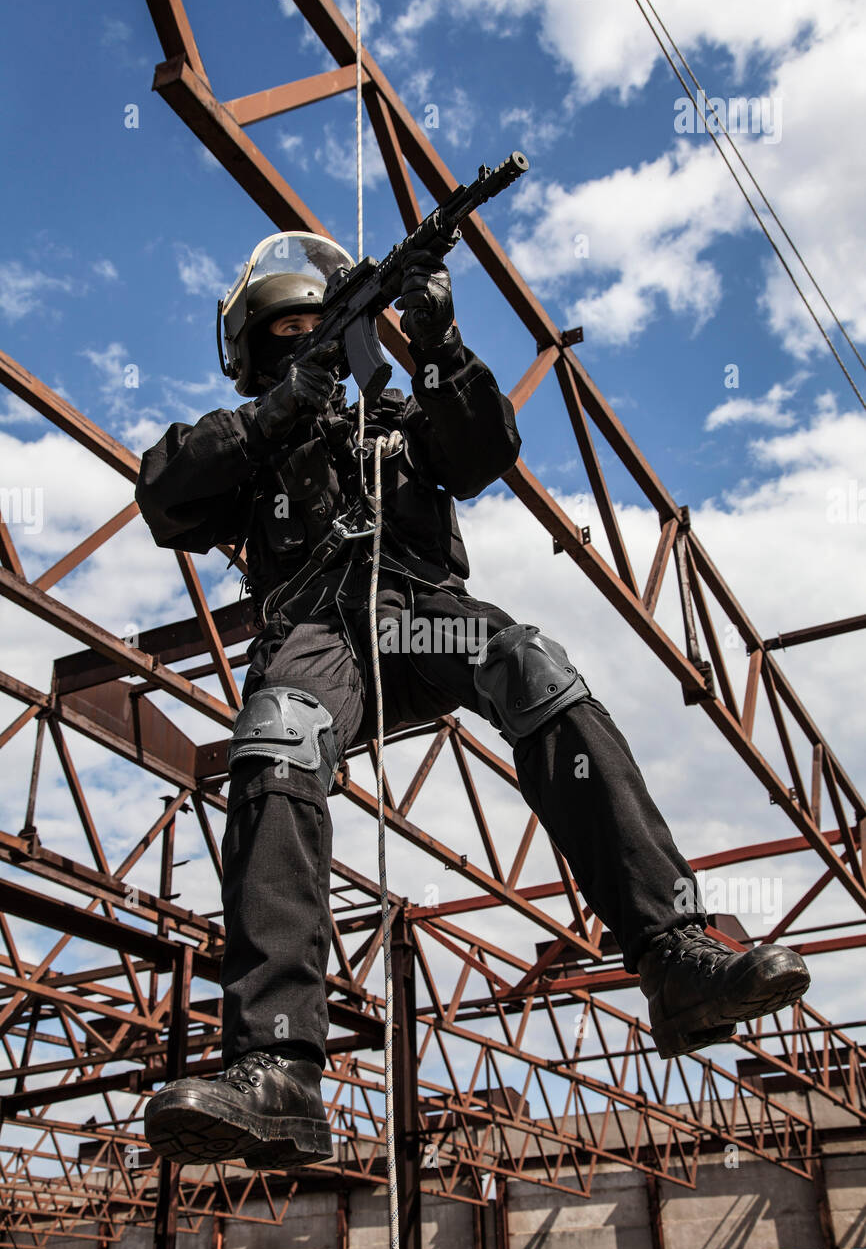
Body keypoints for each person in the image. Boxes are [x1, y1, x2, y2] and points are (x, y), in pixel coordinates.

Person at [135, 232, 810, 1171]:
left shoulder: (398, 419)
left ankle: (673, 954)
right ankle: (278, 1066)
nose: (309, 348)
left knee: (535, 666)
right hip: (318, 631)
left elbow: (483, 449)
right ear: (261, 353)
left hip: (420, 616)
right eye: (290, 336)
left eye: (319, 331)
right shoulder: (250, 442)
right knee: (275, 738)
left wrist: (446, 346)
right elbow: (164, 495)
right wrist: (280, 413)